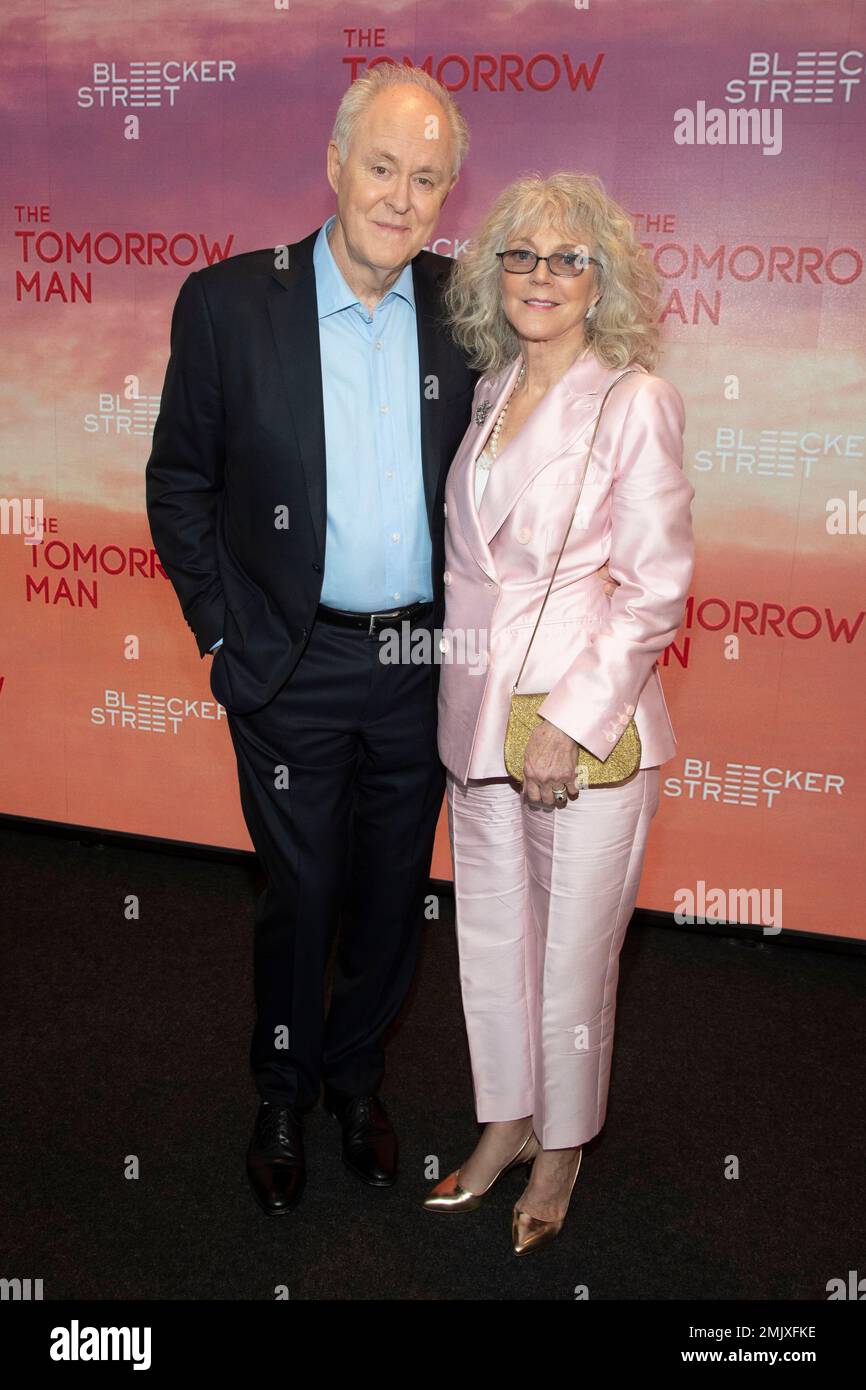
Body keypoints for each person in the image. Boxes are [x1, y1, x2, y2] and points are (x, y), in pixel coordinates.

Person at [145, 64, 477, 1216]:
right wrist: (221, 632)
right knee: (301, 889)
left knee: (392, 890)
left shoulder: (467, 308)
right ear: (334, 164)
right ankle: (281, 1091)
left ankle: (356, 1081)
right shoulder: (229, 304)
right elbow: (179, 484)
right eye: (381, 166)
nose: (399, 196)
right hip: (290, 661)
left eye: (425, 178)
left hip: (418, 664)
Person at [423, 171, 695, 1255]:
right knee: (492, 938)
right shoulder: (490, 391)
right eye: (521, 255)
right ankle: (506, 1120)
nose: (542, 276)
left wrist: (570, 722)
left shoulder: (633, 400)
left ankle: (564, 1145)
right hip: (473, 722)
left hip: (581, 736)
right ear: (494, 273)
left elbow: (654, 588)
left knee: (574, 956)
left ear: (601, 280)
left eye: (568, 259)